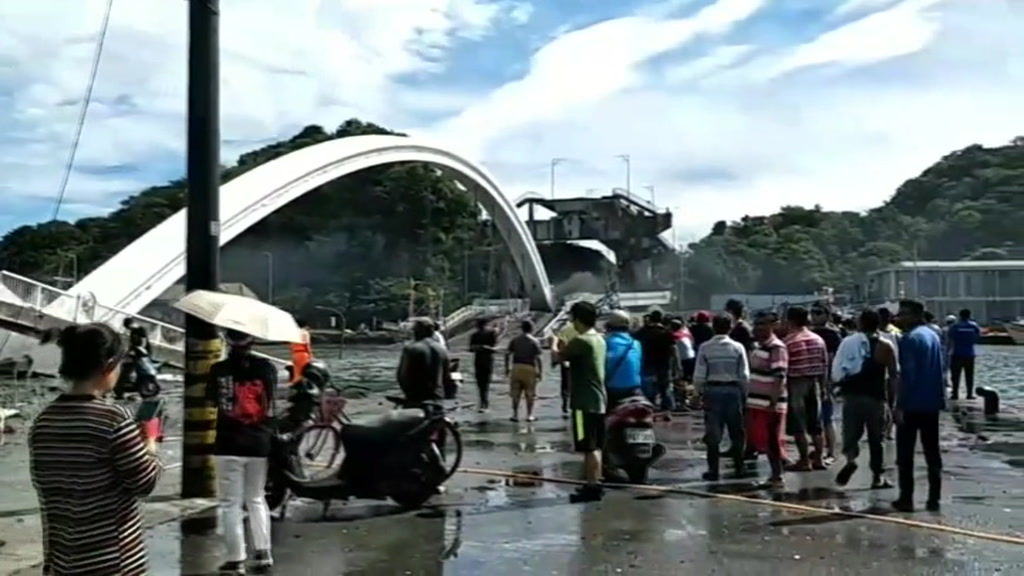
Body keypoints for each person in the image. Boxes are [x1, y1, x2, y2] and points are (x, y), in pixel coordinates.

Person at [30, 324, 162, 576]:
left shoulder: (44, 421)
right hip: (112, 562)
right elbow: (145, 483)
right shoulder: (114, 420)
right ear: (109, 365)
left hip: (62, 561)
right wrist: (150, 441)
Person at [209, 329, 278, 574]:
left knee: (230, 503)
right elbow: (271, 401)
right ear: (252, 341)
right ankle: (263, 552)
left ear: (228, 342)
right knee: (257, 498)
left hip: (228, 443)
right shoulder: (267, 368)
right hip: (259, 442)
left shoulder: (218, 370)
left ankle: (236, 559)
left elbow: (212, 400)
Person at [832, 309, 896, 490]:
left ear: (860, 324)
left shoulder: (848, 343)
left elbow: (838, 370)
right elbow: (893, 375)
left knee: (850, 435)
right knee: (877, 439)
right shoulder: (885, 346)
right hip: (875, 398)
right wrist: (893, 401)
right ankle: (877, 477)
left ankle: (851, 460)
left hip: (852, 397)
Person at [892, 299, 945, 512]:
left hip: (913, 404)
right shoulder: (932, 335)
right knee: (932, 451)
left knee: (905, 454)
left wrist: (899, 405)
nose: (899, 318)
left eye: (904, 314)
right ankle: (934, 498)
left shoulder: (909, 339)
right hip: (932, 401)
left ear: (915, 315)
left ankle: (906, 498)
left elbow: (908, 375)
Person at [556, 301, 607, 503]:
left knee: (587, 447)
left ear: (577, 319)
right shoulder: (600, 339)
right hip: (599, 399)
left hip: (582, 402)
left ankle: (591, 487)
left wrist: (555, 341)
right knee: (596, 446)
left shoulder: (581, 341)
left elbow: (558, 357)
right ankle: (596, 482)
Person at [693, 314, 750, 480]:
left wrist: (697, 393)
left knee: (713, 432)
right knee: (737, 431)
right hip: (733, 391)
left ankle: (713, 470)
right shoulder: (738, 347)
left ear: (713, 326)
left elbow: (699, 375)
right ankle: (739, 468)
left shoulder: (705, 348)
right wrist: (744, 395)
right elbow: (744, 375)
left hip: (712, 390)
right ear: (730, 327)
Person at [782, 306, 829, 472]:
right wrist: (824, 388)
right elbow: (824, 365)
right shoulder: (818, 339)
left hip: (796, 383)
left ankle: (803, 460)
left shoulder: (789, 341)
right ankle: (818, 458)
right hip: (814, 382)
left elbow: (784, 368)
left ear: (791, 320)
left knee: (798, 424)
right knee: (816, 424)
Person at [745, 311, 788, 486]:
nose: (757, 328)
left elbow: (780, 376)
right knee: (763, 439)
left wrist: (773, 401)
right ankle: (776, 471)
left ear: (771, 326)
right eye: (756, 324)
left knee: (772, 440)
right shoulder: (759, 347)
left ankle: (777, 476)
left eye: (762, 325)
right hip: (757, 402)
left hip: (770, 403)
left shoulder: (776, 347)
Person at [810, 304, 844, 465]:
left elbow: (833, 359)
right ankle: (818, 448)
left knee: (827, 417)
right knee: (813, 418)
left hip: (826, 379)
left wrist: (830, 381)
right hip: (810, 378)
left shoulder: (832, 335)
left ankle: (831, 451)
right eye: (813, 313)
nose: (814, 316)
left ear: (827, 315)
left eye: (818, 313)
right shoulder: (810, 332)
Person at [633, 309, 678, 413]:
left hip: (647, 363)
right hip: (663, 364)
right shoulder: (666, 332)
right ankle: (666, 408)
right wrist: (677, 365)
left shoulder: (642, 332)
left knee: (648, 389)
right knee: (665, 387)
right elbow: (673, 349)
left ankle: (649, 406)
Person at [398, 319, 450, 405]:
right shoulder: (442, 349)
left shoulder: (411, 348)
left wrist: (407, 394)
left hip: (416, 396)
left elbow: (402, 375)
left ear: (417, 332)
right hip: (437, 397)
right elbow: (446, 376)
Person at [506, 320, 543, 422]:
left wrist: (507, 368)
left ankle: (515, 415)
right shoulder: (534, 341)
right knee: (530, 393)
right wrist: (540, 371)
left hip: (516, 366)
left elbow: (507, 354)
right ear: (531, 329)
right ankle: (529, 415)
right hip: (529, 367)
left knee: (515, 392)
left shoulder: (515, 340)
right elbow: (538, 358)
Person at [603, 310, 643, 405]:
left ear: (609, 326)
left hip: (613, 390)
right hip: (635, 388)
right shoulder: (636, 344)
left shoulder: (605, 343)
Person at [947, 308, 981, 400]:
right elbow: (978, 337)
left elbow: (950, 337)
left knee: (955, 376)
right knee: (969, 375)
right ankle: (969, 394)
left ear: (960, 316)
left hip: (957, 353)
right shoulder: (974, 326)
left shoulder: (955, 326)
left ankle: (955, 394)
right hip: (969, 353)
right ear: (969, 316)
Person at [469, 318, 498, 412]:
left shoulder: (476, 335)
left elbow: (471, 348)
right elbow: (494, 348)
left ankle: (483, 401)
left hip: (481, 360)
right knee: (484, 382)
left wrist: (480, 348)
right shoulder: (488, 333)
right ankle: (484, 401)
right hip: (486, 360)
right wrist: (483, 348)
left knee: (482, 382)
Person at [552, 319, 579, 417]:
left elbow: (560, 345)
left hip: (567, 361)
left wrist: (558, 359)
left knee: (565, 384)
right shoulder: (584, 329)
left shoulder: (565, 329)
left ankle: (565, 405)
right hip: (581, 362)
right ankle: (576, 404)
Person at [669, 317, 695, 406]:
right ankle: (686, 398)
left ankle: (681, 400)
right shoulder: (686, 334)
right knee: (686, 380)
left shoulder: (673, 336)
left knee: (678, 380)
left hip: (681, 359)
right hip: (691, 357)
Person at [290, 318, 313, 384]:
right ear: (305, 325)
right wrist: (310, 355)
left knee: (296, 373)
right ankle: (302, 388)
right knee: (303, 372)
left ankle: (294, 385)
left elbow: (291, 345)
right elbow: (307, 345)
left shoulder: (293, 333)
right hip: (303, 354)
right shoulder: (305, 333)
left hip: (295, 354)